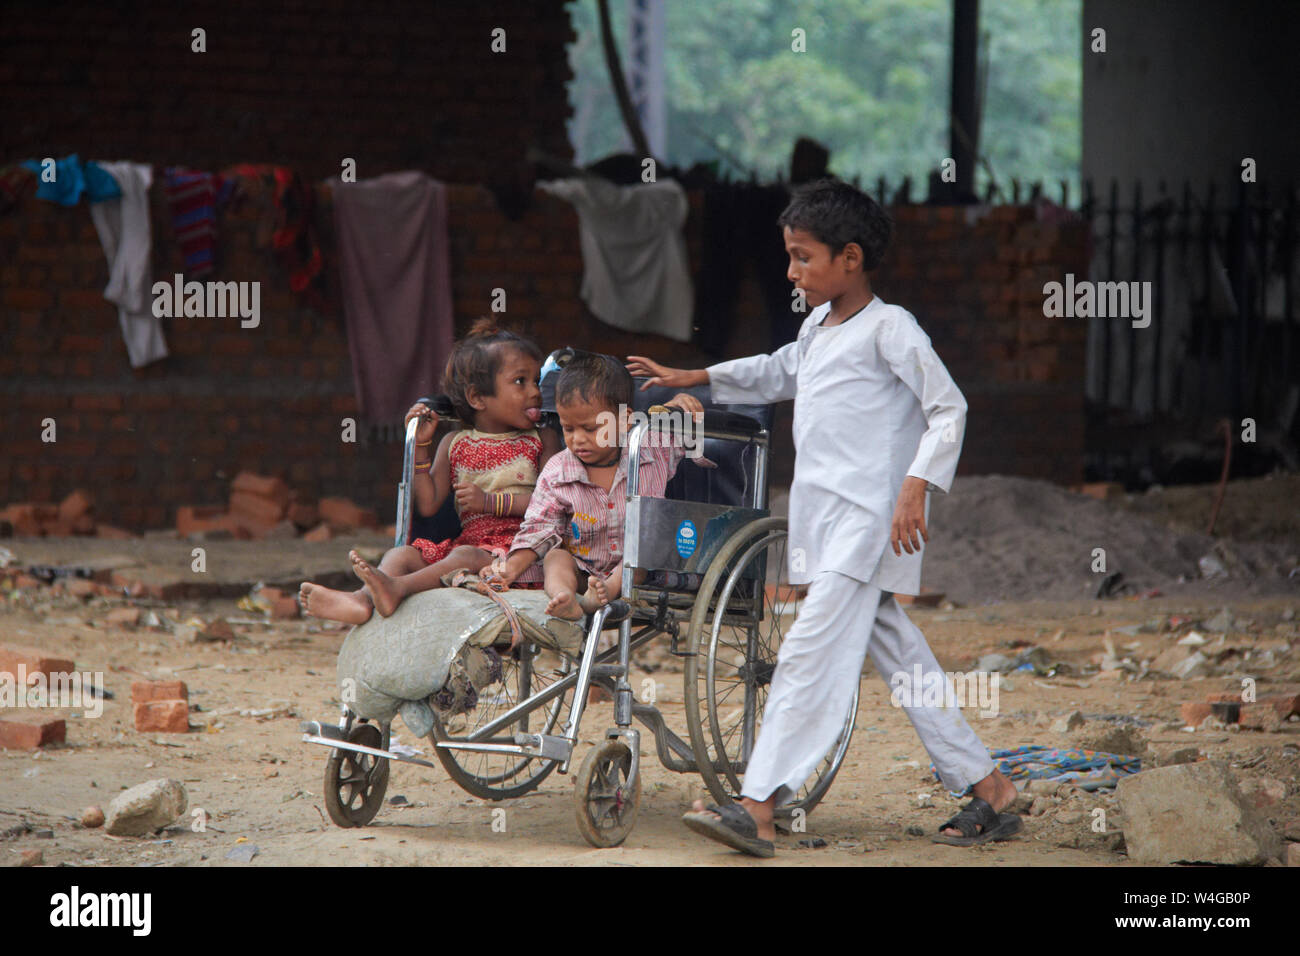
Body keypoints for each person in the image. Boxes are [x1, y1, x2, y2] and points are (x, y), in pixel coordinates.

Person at [626, 178, 1020, 857]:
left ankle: (758, 803)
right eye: (789, 255)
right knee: (899, 653)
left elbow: (947, 406)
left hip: (868, 524)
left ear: (851, 258)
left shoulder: (891, 329)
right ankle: (989, 788)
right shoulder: (816, 327)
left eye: (803, 256)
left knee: (807, 653)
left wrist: (915, 486)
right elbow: (779, 371)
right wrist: (699, 377)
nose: (791, 271)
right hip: (828, 520)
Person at [300, 319, 561, 625]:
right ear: (478, 398)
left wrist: (492, 503)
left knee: (464, 556)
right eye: (521, 381)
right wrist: (422, 449)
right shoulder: (454, 443)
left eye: (535, 380)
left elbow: (550, 504)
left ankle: (397, 588)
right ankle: (361, 600)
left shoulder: (542, 439)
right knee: (402, 555)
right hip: (470, 544)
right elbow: (428, 504)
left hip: (520, 555)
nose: (534, 392)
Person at [486, 353, 702, 621]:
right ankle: (564, 597)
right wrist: (513, 567)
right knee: (556, 558)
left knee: (640, 555)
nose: (577, 440)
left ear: (624, 421)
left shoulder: (652, 448)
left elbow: (688, 433)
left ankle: (604, 594)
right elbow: (540, 527)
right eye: (568, 428)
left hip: (637, 565)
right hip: (582, 567)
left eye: (590, 429)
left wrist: (678, 405)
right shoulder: (558, 471)